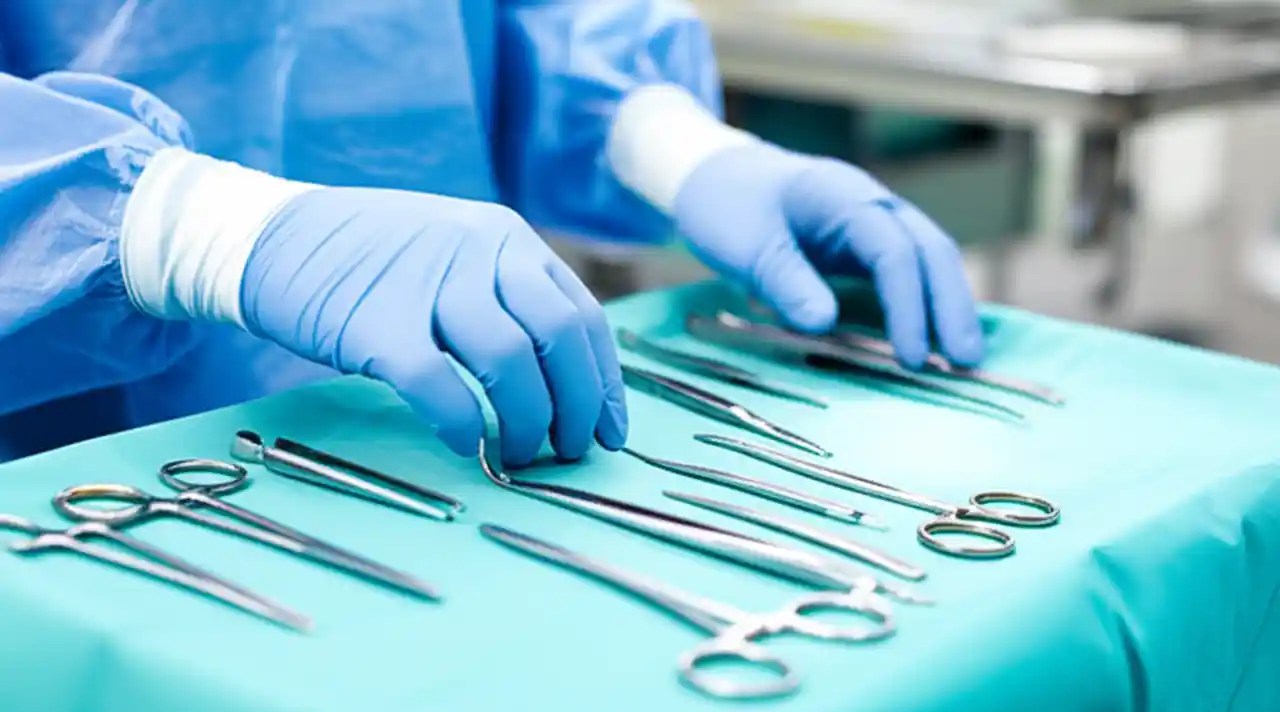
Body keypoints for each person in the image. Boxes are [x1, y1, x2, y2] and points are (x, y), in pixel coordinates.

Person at [0, 1, 983, 467]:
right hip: (95, 460)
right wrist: (179, 229)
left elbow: (520, 22)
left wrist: (674, 145)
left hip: (449, 417)